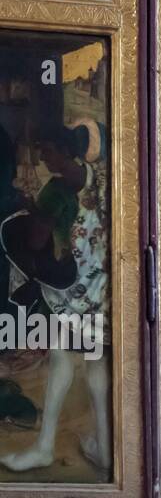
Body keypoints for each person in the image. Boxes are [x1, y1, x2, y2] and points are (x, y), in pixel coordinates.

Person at [0, 121, 110, 474]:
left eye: (47, 150)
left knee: (64, 360)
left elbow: (34, 243)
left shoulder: (55, 191)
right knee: (95, 363)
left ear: (65, 151)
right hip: (103, 290)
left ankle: (46, 446)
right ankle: (107, 448)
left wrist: (27, 211)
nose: (43, 158)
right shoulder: (106, 180)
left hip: (75, 290)